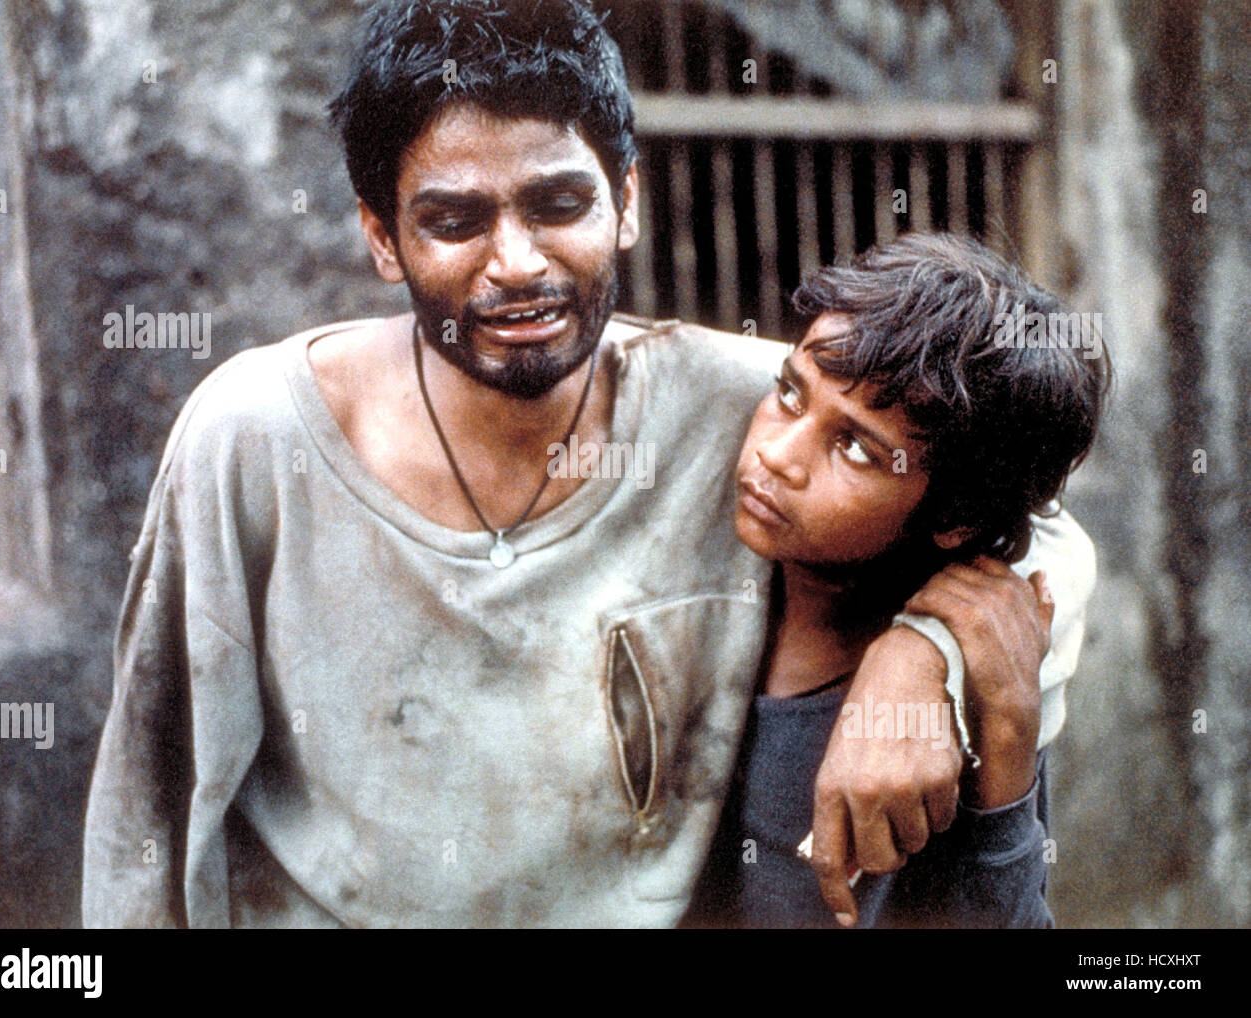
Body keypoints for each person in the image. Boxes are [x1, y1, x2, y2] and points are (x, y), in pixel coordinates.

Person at [81, 0, 1095, 927]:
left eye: (557, 204)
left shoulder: (750, 411)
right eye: (453, 219)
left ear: (625, 201)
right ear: (382, 238)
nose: (516, 262)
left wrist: (921, 656)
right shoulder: (253, 441)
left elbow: (1032, 527)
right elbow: (148, 821)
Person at [686, 233, 1107, 927]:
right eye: (789, 393)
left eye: (855, 448)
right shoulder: (707, 581)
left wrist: (1004, 756)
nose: (777, 454)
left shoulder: (960, 700)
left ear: (957, 514)